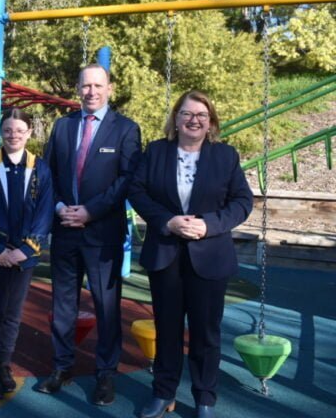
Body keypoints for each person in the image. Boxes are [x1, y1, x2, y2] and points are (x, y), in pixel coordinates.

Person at [128, 91, 253, 418]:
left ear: (211, 122)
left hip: (209, 256)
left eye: (201, 115)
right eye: (186, 114)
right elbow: (136, 191)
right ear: (176, 118)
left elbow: (242, 201)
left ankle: (204, 398)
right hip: (166, 254)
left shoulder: (225, 156)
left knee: (206, 332)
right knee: (167, 328)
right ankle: (163, 392)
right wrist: (166, 221)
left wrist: (209, 225)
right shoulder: (156, 151)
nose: (193, 120)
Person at [38, 64, 141, 405]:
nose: (91, 92)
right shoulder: (63, 126)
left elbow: (126, 180)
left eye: (98, 85)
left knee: (106, 306)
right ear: (78, 88)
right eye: (85, 86)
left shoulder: (126, 129)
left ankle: (105, 374)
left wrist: (90, 211)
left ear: (109, 89)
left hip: (102, 234)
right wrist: (59, 208)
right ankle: (61, 367)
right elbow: (48, 174)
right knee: (63, 304)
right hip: (65, 229)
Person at [0, 107, 53, 400]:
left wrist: (27, 249)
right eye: (7, 130)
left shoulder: (40, 168)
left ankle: (4, 364)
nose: (13, 135)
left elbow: (45, 210)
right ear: (0, 132)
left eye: (19, 130)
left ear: (29, 132)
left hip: (23, 255)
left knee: (13, 313)